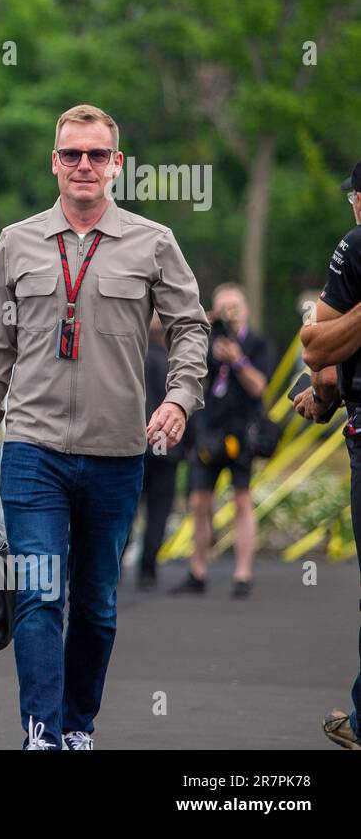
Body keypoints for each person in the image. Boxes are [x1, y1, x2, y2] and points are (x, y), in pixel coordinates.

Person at [0, 103, 209, 750]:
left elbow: (191, 326)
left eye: (97, 155)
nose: (84, 166)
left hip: (116, 452)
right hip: (33, 451)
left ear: (116, 165)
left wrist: (180, 398)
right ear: (54, 162)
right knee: (41, 597)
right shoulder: (17, 241)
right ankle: (41, 732)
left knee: (96, 605)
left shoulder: (152, 241)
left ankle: (78, 725)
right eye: (72, 154)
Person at [295, 160, 361, 750]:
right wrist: (323, 395)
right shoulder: (355, 250)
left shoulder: (357, 243)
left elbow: (318, 347)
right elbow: (318, 351)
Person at [171, 283, 273, 598]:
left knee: (242, 499)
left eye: (235, 308)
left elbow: (259, 387)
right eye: (223, 309)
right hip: (209, 430)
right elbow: (186, 371)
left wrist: (238, 360)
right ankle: (197, 571)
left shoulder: (257, 344)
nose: (230, 315)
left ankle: (242, 574)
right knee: (199, 501)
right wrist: (203, 328)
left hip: (242, 432)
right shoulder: (208, 341)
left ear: (247, 310)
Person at [134, 314, 183, 590]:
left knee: (128, 509)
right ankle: (148, 568)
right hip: (167, 447)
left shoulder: (134, 361)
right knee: (159, 511)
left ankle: (114, 564)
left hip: (137, 444)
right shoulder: (173, 364)